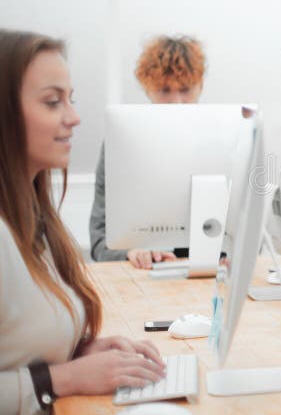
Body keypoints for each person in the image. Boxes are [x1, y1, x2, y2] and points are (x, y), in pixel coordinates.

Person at [0, 29, 165, 415]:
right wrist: (65, 378)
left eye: (70, 100)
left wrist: (80, 352)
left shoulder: (34, 223)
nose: (74, 118)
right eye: (53, 102)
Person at [89, 35, 205, 268]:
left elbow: (248, 237)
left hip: (207, 278)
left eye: (185, 89)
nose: (177, 102)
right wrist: (129, 253)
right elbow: (99, 243)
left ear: (200, 87)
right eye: (164, 90)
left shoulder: (222, 143)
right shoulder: (119, 145)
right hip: (144, 277)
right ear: (147, 89)